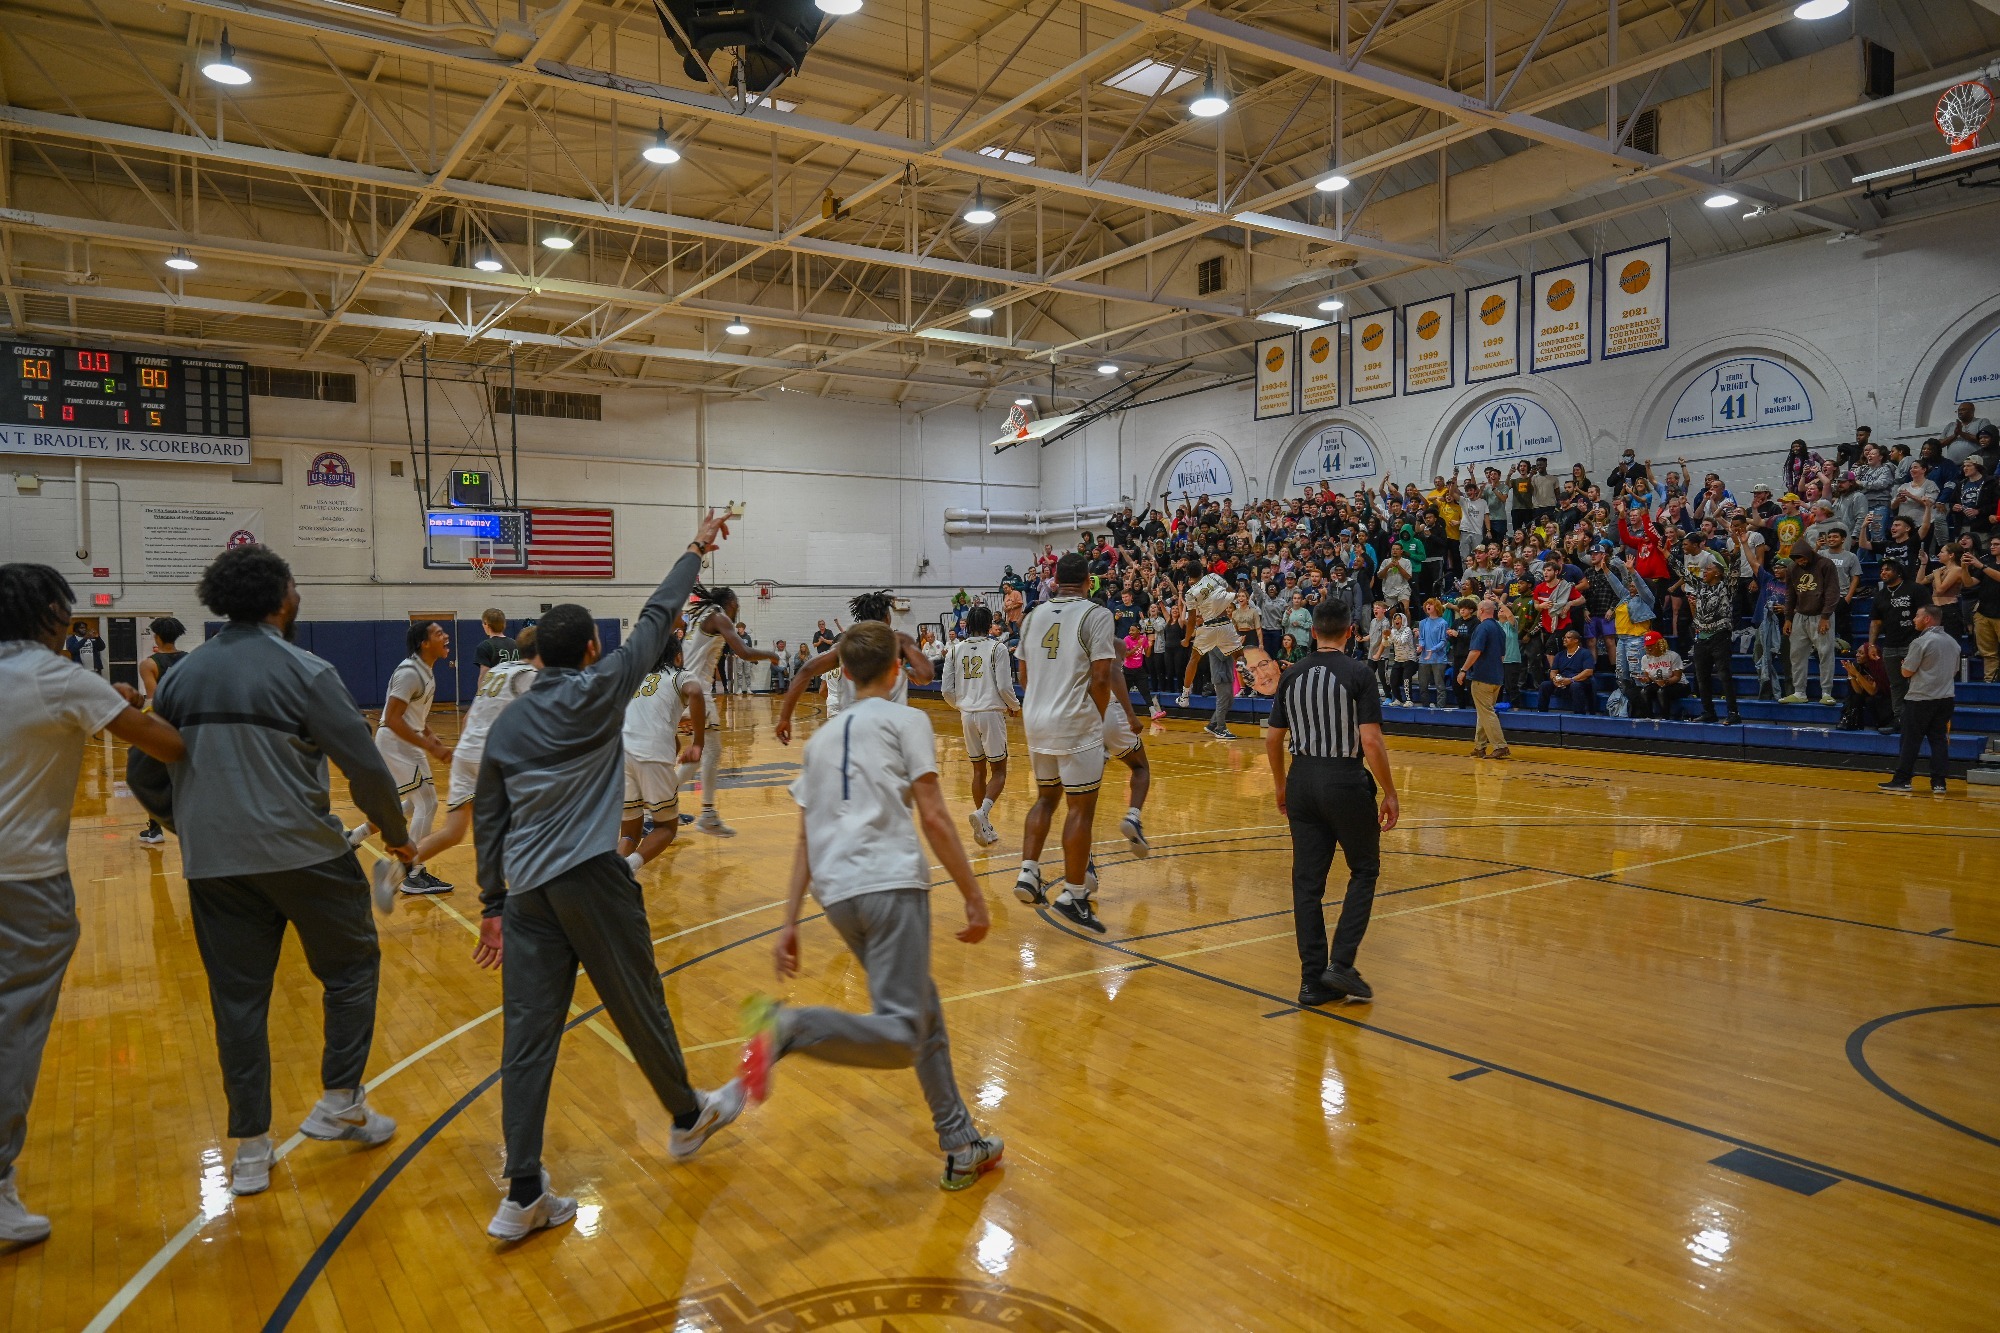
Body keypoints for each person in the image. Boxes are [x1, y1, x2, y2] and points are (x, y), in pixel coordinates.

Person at [471, 511, 745, 1242]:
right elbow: (661, 611)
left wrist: (490, 903)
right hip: (591, 877)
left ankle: (523, 1188)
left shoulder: (507, 724)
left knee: (526, 1038)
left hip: (525, 894)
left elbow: (489, 818)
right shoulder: (603, 686)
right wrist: (694, 547)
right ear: (592, 647)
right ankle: (687, 1117)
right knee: (639, 1002)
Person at [152, 545, 417, 1199]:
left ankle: (250, 1149)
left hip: (215, 866)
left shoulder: (179, 677)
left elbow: (143, 771)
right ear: (281, 599)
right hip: (307, 855)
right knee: (352, 967)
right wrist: (399, 835)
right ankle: (340, 1098)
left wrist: (202, 824)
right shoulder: (306, 669)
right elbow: (365, 768)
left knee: (237, 999)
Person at [737, 621, 1002, 1192]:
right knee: (905, 1033)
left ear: (842, 671)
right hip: (890, 884)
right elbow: (932, 813)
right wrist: (973, 895)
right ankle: (790, 1026)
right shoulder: (909, 720)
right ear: (897, 667)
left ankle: (960, 1143)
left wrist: (788, 923)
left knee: (924, 1014)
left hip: (835, 895)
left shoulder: (821, 739)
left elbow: (806, 836)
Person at [0, 565, 184, 1243]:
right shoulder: (55, 676)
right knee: (13, 1027)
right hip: (22, 880)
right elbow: (167, 743)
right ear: (51, 613)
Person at [1263, 598, 1399, 1008]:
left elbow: (1272, 739)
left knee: (1306, 884)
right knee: (1364, 869)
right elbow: (1371, 741)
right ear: (1350, 632)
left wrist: (1281, 785)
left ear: (1314, 632)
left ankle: (1312, 983)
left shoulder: (1291, 675)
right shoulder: (1359, 672)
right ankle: (1340, 963)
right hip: (1344, 780)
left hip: (1301, 778)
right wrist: (1390, 792)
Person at [1013, 553, 1116, 932]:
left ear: (1055, 580)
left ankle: (1028, 872)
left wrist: (1041, 701)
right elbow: (1103, 678)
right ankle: (1073, 894)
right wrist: (1097, 723)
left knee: (1045, 798)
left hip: (1035, 719)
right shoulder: (1096, 614)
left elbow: (1022, 672)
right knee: (1079, 811)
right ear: (1089, 580)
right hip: (1075, 721)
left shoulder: (1032, 616)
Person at [349, 621, 453, 894]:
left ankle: (353, 837)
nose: (446, 636)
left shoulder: (425, 671)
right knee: (428, 803)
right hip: (396, 742)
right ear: (423, 643)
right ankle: (412, 872)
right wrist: (430, 748)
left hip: (405, 742)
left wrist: (430, 735)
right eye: (438, 633)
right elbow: (393, 719)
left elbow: (413, 713)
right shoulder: (410, 672)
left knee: (408, 803)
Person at [679, 586, 779, 834]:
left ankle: (658, 805)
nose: (737, 611)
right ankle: (707, 814)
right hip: (696, 692)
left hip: (680, 688)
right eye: (737, 606)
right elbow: (743, 652)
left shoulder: (700, 617)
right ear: (730, 602)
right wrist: (770, 655)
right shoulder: (719, 616)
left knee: (697, 755)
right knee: (711, 750)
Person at [776, 591, 936, 745]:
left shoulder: (847, 645)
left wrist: (785, 717)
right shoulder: (899, 641)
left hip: (854, 729)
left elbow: (806, 671)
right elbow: (926, 675)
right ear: (888, 618)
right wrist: (907, 670)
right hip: (891, 730)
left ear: (862, 620)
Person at [619, 635, 703, 873]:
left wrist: (675, 732)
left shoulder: (637, 681)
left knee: (628, 833)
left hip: (621, 754)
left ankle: (613, 876)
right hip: (650, 754)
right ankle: (630, 867)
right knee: (666, 828)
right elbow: (696, 692)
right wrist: (698, 743)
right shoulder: (679, 676)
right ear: (678, 656)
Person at [939, 605, 1018, 847]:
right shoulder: (998, 648)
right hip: (990, 713)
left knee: (978, 771)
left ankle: (983, 826)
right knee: (1000, 771)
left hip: (967, 714)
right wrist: (1014, 705)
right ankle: (982, 814)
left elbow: (945, 690)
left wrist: (961, 705)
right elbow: (1005, 686)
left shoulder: (955, 649)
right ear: (989, 626)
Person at [1879, 606, 1961, 795]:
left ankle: (1902, 779)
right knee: (1938, 740)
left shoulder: (1921, 642)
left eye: (1917, 615)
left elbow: (1906, 672)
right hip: (1946, 698)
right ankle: (1939, 783)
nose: (1914, 619)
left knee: (1910, 740)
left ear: (1927, 619)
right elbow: (1954, 671)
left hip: (1921, 698)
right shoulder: (1953, 643)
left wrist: (1905, 666)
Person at [136, 616, 190, 846]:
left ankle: (156, 830)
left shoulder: (149, 664)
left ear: (156, 636)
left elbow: (155, 698)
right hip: (188, 720)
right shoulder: (190, 659)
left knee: (152, 777)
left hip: (162, 721)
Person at [1781, 538, 1840, 706]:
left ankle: (1826, 692)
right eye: (1797, 559)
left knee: (1825, 653)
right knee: (1796, 655)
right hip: (1800, 615)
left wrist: (1825, 617)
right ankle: (1799, 692)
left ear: (1809, 553)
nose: (1801, 561)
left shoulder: (1826, 564)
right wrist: (1787, 618)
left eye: (1802, 558)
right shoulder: (1792, 568)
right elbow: (1790, 595)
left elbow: (1832, 592)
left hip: (1821, 615)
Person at [1687, 562, 1741, 725]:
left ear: (1718, 573)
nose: (1704, 571)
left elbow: (1735, 572)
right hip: (1701, 637)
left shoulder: (1726, 587)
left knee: (1724, 675)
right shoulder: (1700, 586)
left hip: (1720, 636)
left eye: (1709, 569)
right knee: (1701, 678)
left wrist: (1737, 549)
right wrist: (1666, 553)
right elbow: (1683, 572)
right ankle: (1708, 712)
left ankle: (1733, 713)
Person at [1457, 598, 1509, 758]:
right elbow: (1502, 656)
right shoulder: (1499, 628)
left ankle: (1500, 746)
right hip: (1497, 677)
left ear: (1481, 611)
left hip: (1482, 676)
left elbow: (1475, 652)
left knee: (1486, 712)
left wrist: (1463, 669)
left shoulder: (1481, 628)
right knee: (1484, 712)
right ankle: (1480, 747)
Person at [1966, 534, 2000, 682]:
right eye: (1991, 543)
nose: (1992, 546)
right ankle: (1989, 682)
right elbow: (1969, 583)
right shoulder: (1986, 561)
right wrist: (1963, 568)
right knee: (1988, 653)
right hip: (1984, 613)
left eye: (1996, 544)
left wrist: (1981, 566)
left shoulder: (1984, 564)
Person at [1540, 628, 1596, 714]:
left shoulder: (1585, 653)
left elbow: (1588, 671)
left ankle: (1579, 714)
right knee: (1544, 685)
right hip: (1563, 681)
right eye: (1564, 637)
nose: (1564, 639)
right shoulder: (1560, 654)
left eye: (1568, 637)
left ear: (1576, 640)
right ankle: (1542, 713)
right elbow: (1553, 671)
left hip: (1579, 681)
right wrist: (1555, 679)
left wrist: (1571, 680)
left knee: (1575, 686)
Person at [1632, 631, 1686, 719]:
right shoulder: (1645, 659)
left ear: (1660, 644)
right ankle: (1648, 717)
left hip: (1679, 685)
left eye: (1652, 645)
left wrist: (1666, 682)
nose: (1649, 648)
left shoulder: (1673, 656)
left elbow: (1677, 677)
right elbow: (1649, 678)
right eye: (1647, 645)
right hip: (1659, 684)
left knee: (1662, 691)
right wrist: (1646, 680)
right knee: (1644, 691)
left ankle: (1665, 719)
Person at [473, 608, 516, 684]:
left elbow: (484, 676)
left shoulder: (485, 646)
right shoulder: (516, 644)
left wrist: (479, 694)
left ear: (486, 624)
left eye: (483, 623)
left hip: (496, 691)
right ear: (504, 624)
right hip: (515, 689)